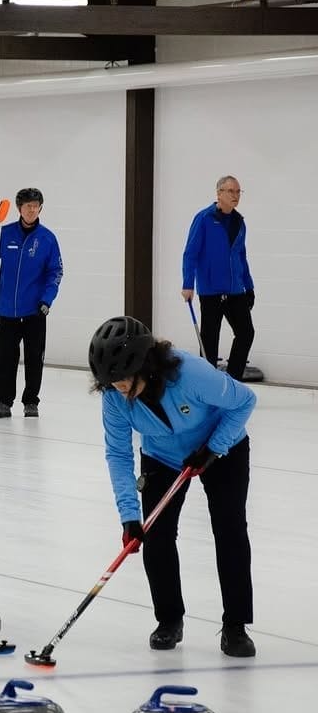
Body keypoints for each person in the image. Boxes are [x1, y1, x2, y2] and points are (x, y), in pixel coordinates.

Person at [88, 315, 257, 657]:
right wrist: (128, 515)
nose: (118, 389)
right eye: (111, 383)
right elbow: (118, 453)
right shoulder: (114, 397)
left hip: (221, 447)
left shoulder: (190, 373)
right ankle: (168, 620)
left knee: (230, 530)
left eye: (122, 380)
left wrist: (214, 448)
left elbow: (245, 400)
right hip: (161, 456)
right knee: (157, 536)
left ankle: (236, 626)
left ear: (145, 365)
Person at [0, 187, 63, 418]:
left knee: (34, 358)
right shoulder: (4, 234)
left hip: (35, 310)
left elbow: (55, 272)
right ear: (19, 209)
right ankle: (3, 402)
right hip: (7, 310)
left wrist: (47, 299)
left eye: (36, 206)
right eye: (28, 206)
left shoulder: (47, 239)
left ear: (40, 208)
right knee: (5, 359)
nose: (32, 210)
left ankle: (31, 402)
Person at [181, 175, 255, 381]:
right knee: (209, 342)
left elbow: (241, 256)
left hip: (235, 291)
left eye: (238, 192)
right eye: (231, 191)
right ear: (219, 193)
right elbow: (191, 253)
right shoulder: (204, 219)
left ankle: (231, 382)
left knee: (246, 333)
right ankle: (208, 386)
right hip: (211, 291)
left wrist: (248, 286)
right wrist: (188, 284)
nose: (236, 196)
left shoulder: (239, 222)